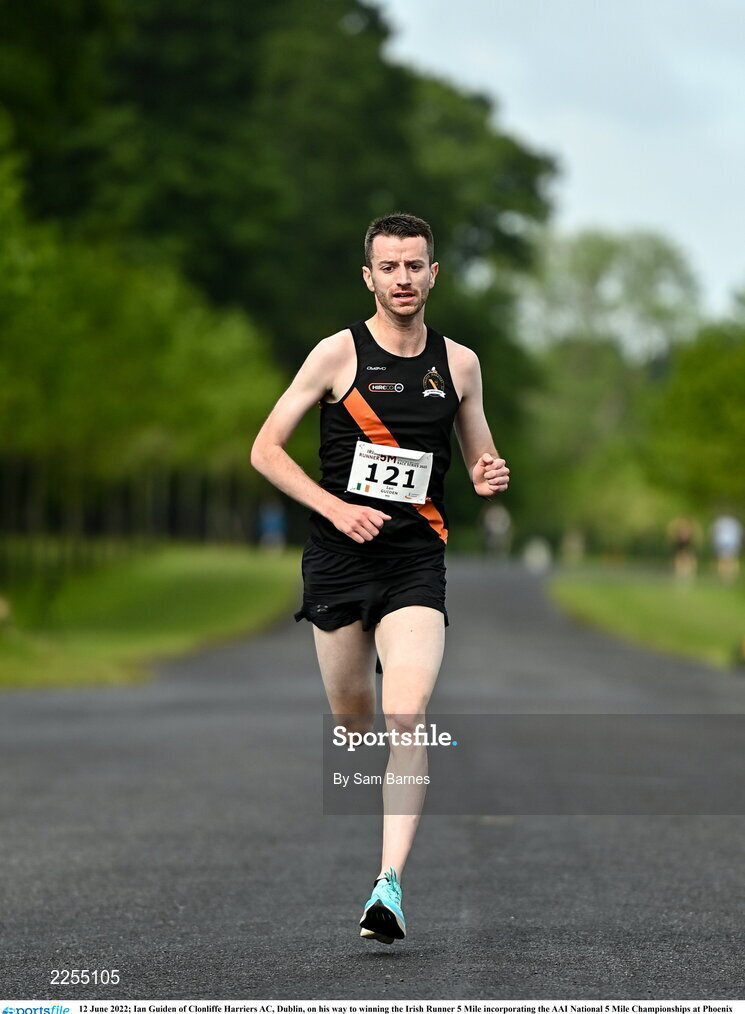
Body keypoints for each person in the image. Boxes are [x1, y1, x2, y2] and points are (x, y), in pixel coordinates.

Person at [250, 213, 509, 945]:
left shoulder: (459, 364)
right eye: (389, 267)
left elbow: (480, 451)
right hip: (337, 560)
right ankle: (377, 787)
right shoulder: (336, 354)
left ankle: (387, 885)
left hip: (413, 562)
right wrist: (335, 507)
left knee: (406, 711)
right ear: (368, 276)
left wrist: (490, 473)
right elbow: (265, 451)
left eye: (414, 265)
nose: (402, 279)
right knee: (355, 722)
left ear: (434, 274)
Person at [711, 513, 743, 583]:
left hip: (727, 543)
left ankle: (728, 577)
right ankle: (726, 577)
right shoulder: (733, 521)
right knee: (726, 560)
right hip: (726, 543)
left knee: (728, 560)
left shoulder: (720, 521)